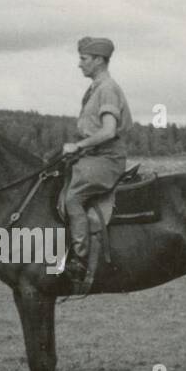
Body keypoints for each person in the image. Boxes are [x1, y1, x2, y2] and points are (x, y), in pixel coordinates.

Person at [58, 36, 132, 291]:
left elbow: (109, 131)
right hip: (93, 157)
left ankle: (79, 258)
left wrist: (78, 146)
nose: (79, 64)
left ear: (99, 60)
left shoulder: (107, 88)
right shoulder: (95, 89)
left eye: (84, 59)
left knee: (73, 198)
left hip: (106, 160)